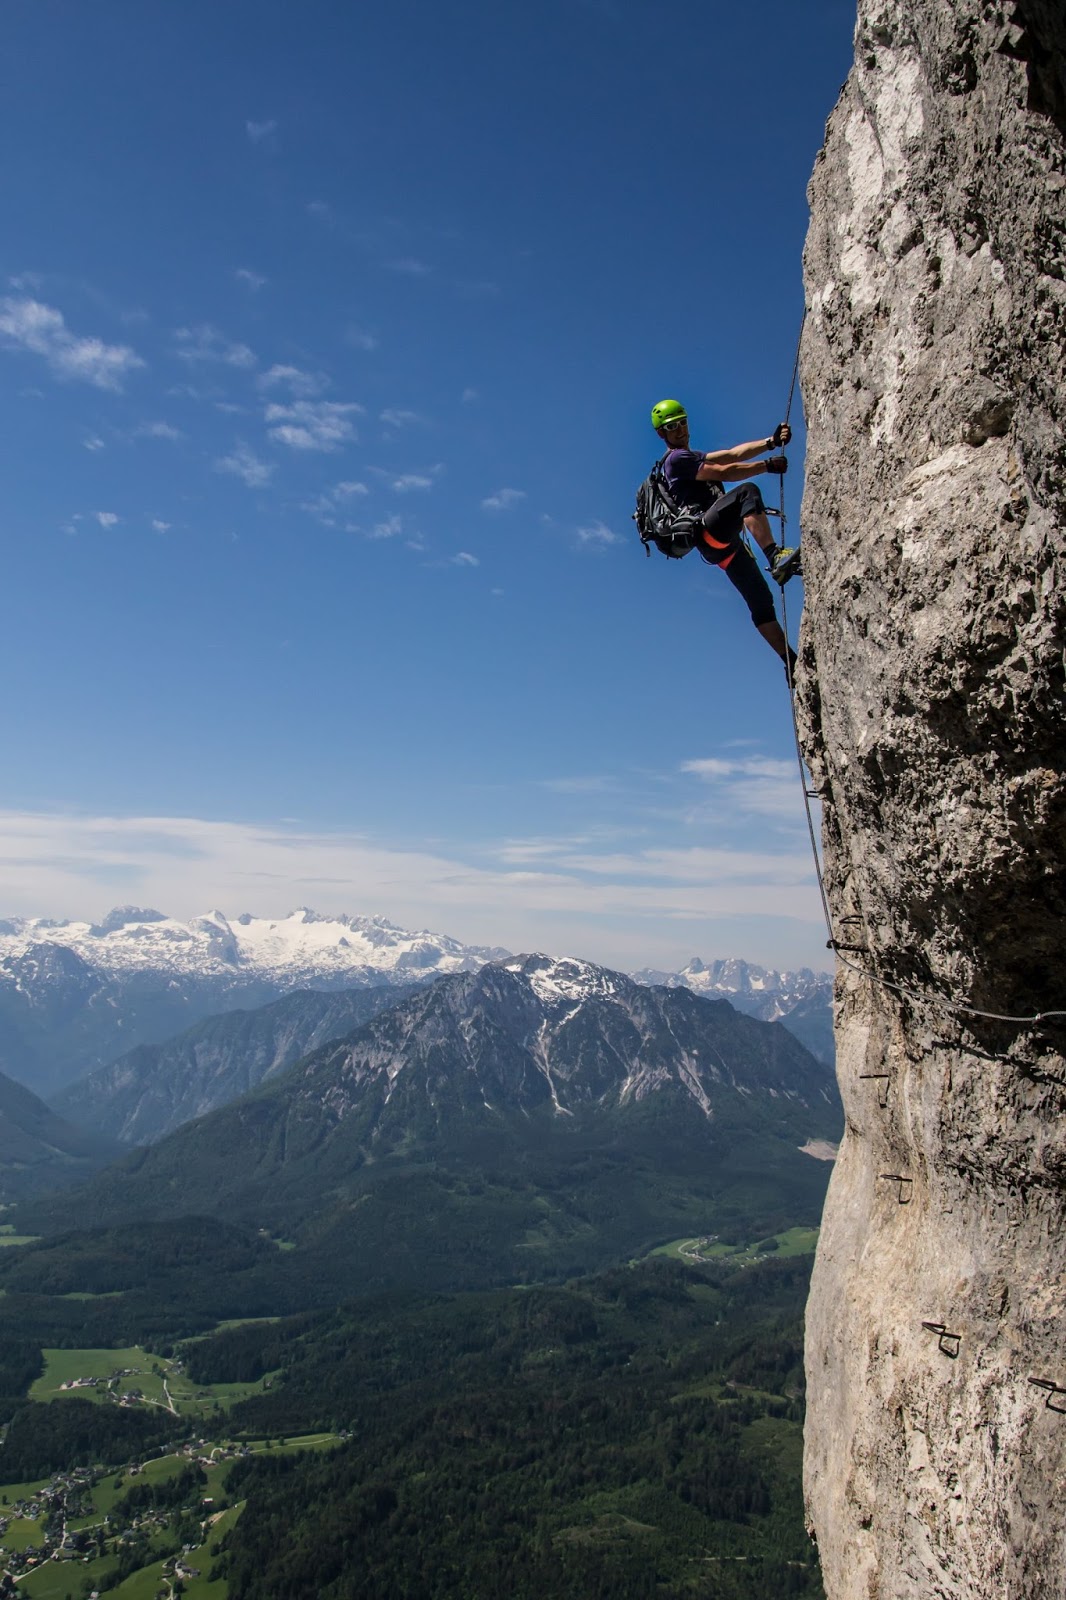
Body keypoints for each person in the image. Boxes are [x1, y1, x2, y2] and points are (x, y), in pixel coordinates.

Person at [649, 398, 800, 671]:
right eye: (673, 427)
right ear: (662, 434)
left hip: (720, 548)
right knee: (747, 492)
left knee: (761, 601)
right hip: (709, 531)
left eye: (683, 423)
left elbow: (731, 455)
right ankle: (774, 556)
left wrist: (770, 441)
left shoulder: (689, 456)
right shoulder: (677, 459)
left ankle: (790, 663)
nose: (680, 430)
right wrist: (767, 465)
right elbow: (726, 472)